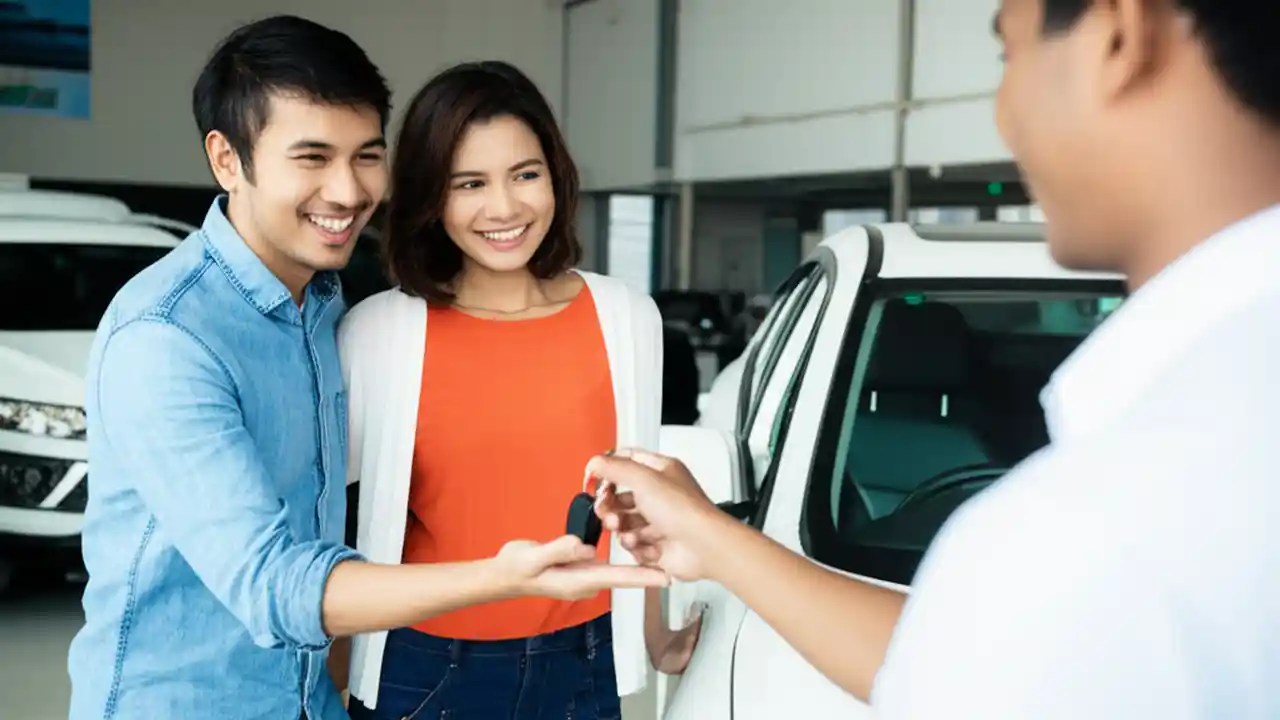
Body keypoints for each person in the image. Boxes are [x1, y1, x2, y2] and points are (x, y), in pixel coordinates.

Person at [587, 0, 1280, 717]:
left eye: (1009, 56)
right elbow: (960, 660)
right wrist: (714, 539)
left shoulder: (1107, 518)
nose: (1004, 116)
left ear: (1115, 34)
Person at [67, 18, 664, 720]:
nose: (347, 191)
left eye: (365, 156)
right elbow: (274, 585)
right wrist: (496, 580)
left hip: (312, 703)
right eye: (312, 158)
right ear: (227, 160)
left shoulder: (321, 307)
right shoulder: (166, 338)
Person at [337, 61, 700, 719]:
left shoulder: (624, 315)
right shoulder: (378, 333)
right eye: (469, 183)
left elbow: (632, 503)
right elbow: (324, 524)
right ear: (429, 197)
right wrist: (332, 679)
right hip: (423, 669)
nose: (503, 208)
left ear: (555, 176)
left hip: (584, 666)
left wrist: (655, 640)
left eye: (524, 174)